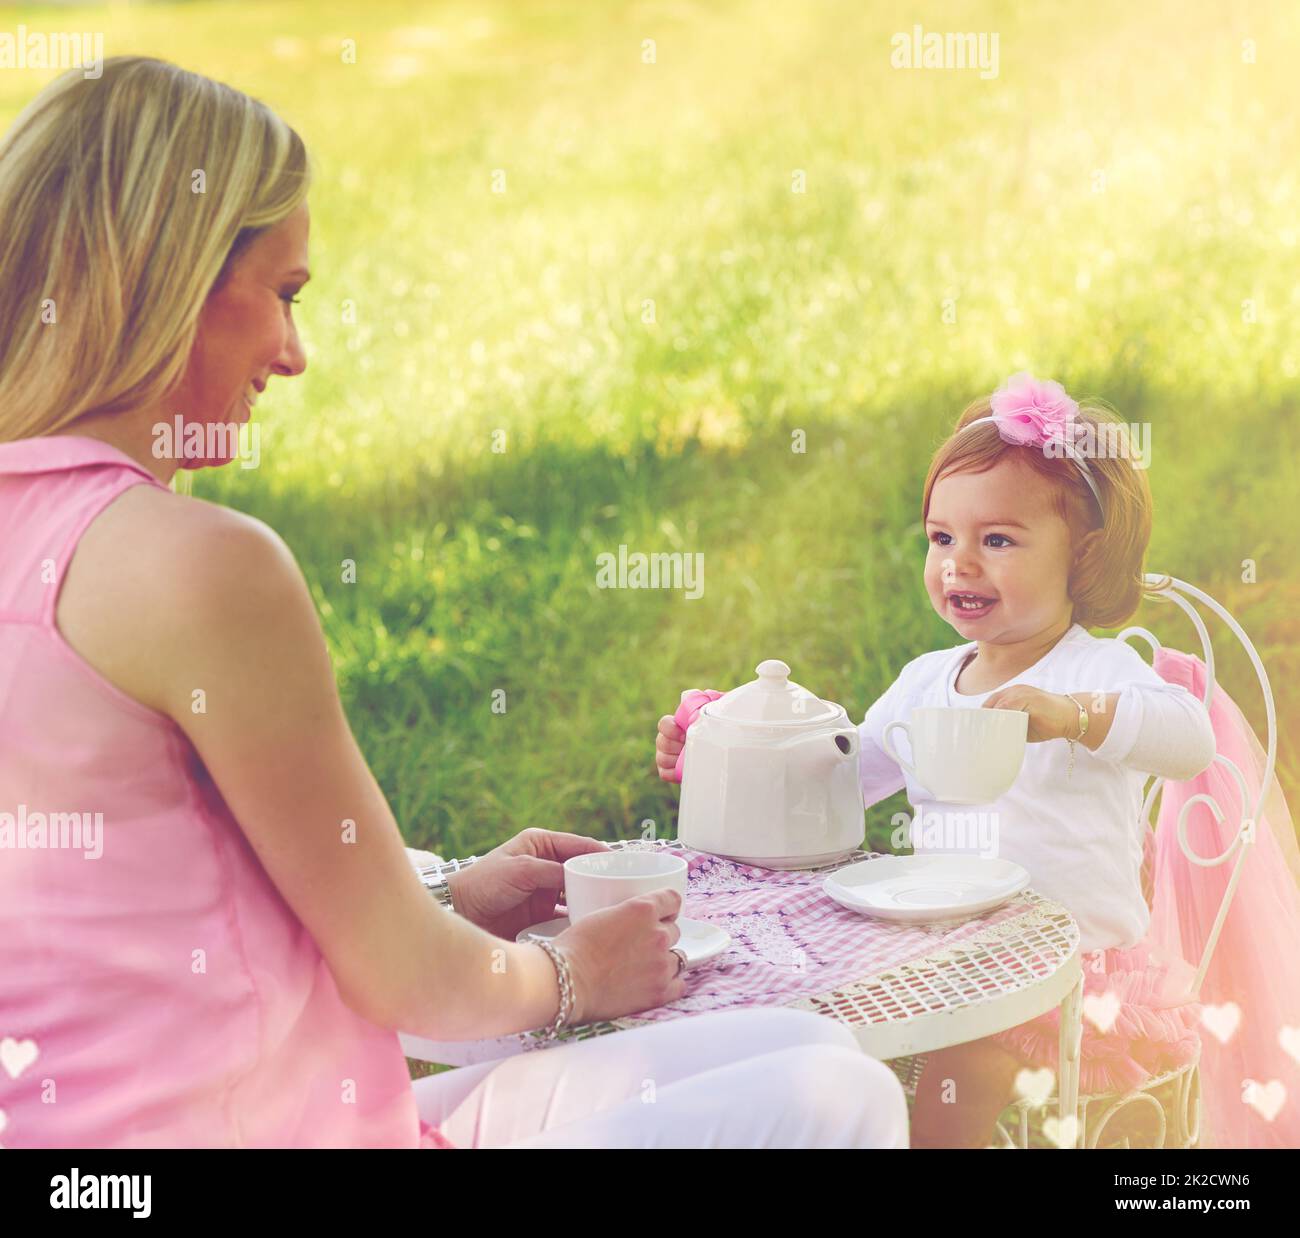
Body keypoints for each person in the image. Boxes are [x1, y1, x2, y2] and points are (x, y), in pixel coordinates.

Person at [0, 57, 908, 1149]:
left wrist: (446, 892)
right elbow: (407, 978)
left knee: (810, 1054)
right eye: (283, 296)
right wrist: (572, 972)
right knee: (842, 1099)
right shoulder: (194, 565)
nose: (294, 356)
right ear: (169, 276)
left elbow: (153, 897)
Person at [658, 373, 1219, 1148]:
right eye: (942, 537)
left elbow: (1191, 738)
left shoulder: (1093, 670)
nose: (960, 563)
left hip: (1066, 979)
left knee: (969, 1067)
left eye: (998, 540)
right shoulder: (928, 680)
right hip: (943, 962)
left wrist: (1077, 719)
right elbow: (841, 780)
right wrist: (729, 750)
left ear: (1081, 558)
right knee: (815, 1032)